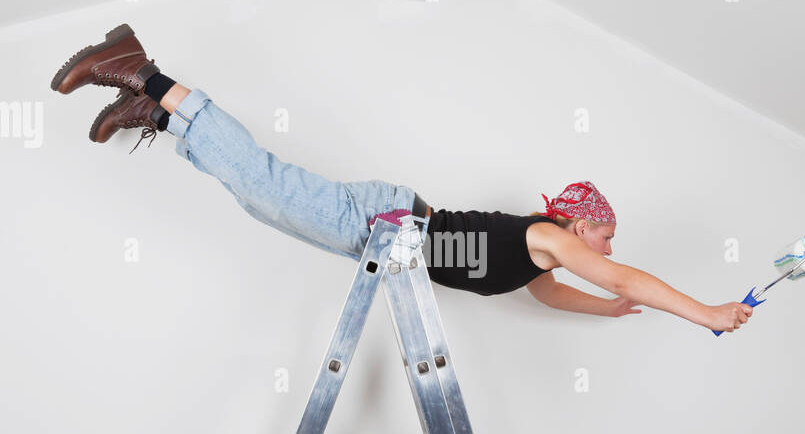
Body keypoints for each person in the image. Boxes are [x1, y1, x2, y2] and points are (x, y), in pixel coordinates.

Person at [51, 24, 754, 333]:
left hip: (386, 237)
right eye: (606, 234)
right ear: (578, 223)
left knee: (257, 202)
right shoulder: (548, 236)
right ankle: (141, 68)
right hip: (390, 226)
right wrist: (708, 313)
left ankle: (158, 113)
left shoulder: (531, 261)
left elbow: (554, 299)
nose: (605, 248)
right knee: (264, 184)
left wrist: (607, 312)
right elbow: (625, 277)